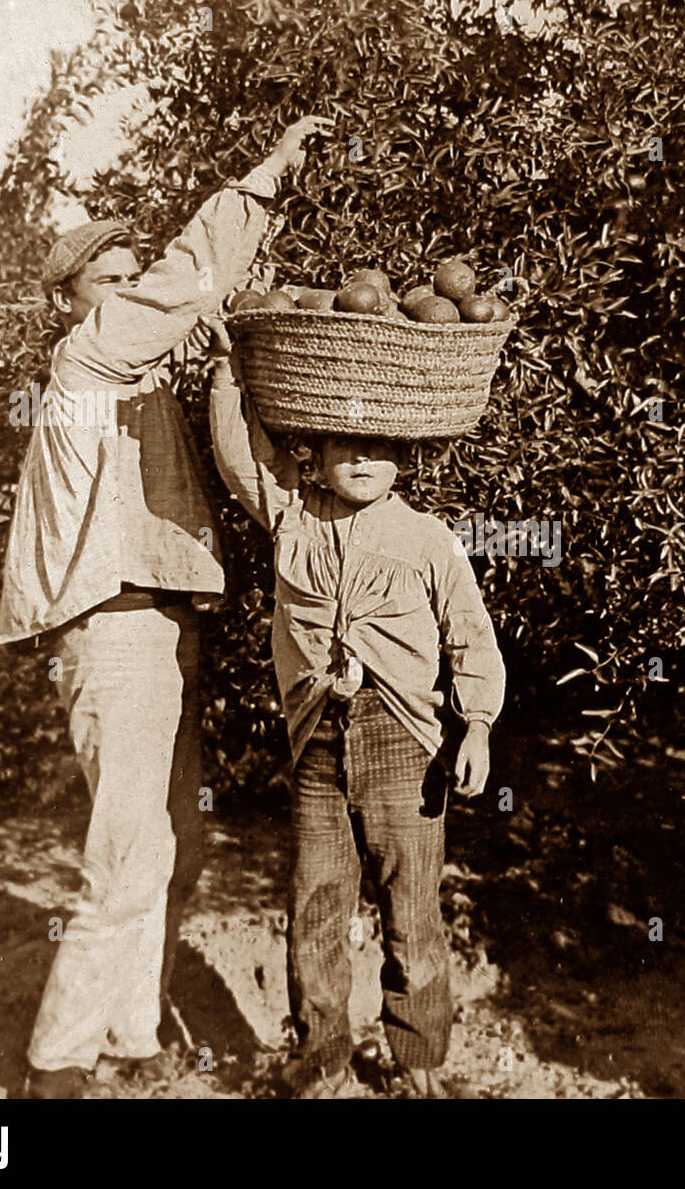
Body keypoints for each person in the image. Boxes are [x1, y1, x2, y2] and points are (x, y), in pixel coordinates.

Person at [0, 114, 333, 1099]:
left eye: (133, 278)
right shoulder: (83, 371)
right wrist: (264, 182)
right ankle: (54, 1066)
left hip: (160, 629)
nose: (134, 295)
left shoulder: (140, 388)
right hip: (111, 632)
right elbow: (181, 281)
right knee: (128, 851)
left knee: (174, 844)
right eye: (113, 284)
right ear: (71, 306)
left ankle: (134, 1035)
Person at [207, 339, 506, 1098]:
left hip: (404, 736)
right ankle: (321, 1059)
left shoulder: (428, 537)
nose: (363, 459)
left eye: (380, 446)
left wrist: (476, 724)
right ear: (316, 451)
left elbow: (469, 632)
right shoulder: (293, 518)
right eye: (347, 443)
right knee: (317, 899)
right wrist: (226, 373)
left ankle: (419, 1060)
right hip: (318, 732)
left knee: (411, 905)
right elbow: (242, 456)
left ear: (402, 455)